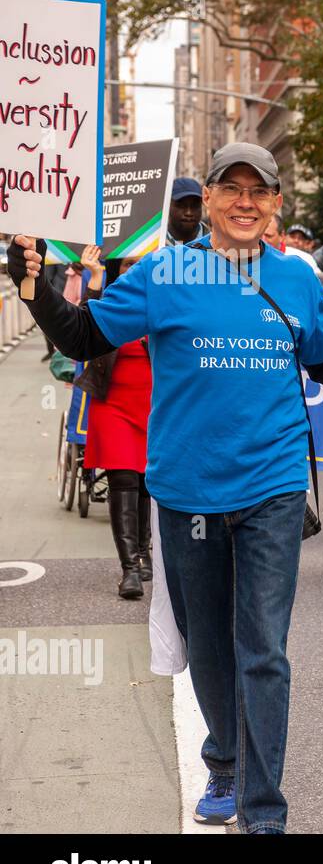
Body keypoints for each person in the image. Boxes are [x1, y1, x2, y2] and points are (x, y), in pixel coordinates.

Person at [8, 141, 323, 833]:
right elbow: (84, 336)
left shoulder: (296, 279)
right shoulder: (163, 273)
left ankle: (264, 811)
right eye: (230, 189)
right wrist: (30, 286)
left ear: (274, 206)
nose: (244, 202)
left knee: (262, 646)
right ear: (206, 200)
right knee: (207, 644)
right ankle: (226, 763)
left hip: (272, 485)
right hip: (185, 492)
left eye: (258, 191)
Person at [74, 246, 154, 599]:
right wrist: (93, 278)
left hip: (155, 406)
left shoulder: (165, 298)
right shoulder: (110, 301)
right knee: (123, 479)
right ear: (117, 269)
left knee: (147, 482)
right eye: (127, 264)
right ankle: (129, 569)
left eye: (141, 264)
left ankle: (145, 549)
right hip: (113, 404)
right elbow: (80, 330)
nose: (134, 269)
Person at [166, 177, 206, 246]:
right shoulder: (152, 247)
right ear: (168, 205)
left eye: (195, 206)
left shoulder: (218, 245)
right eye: (181, 206)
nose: (189, 213)